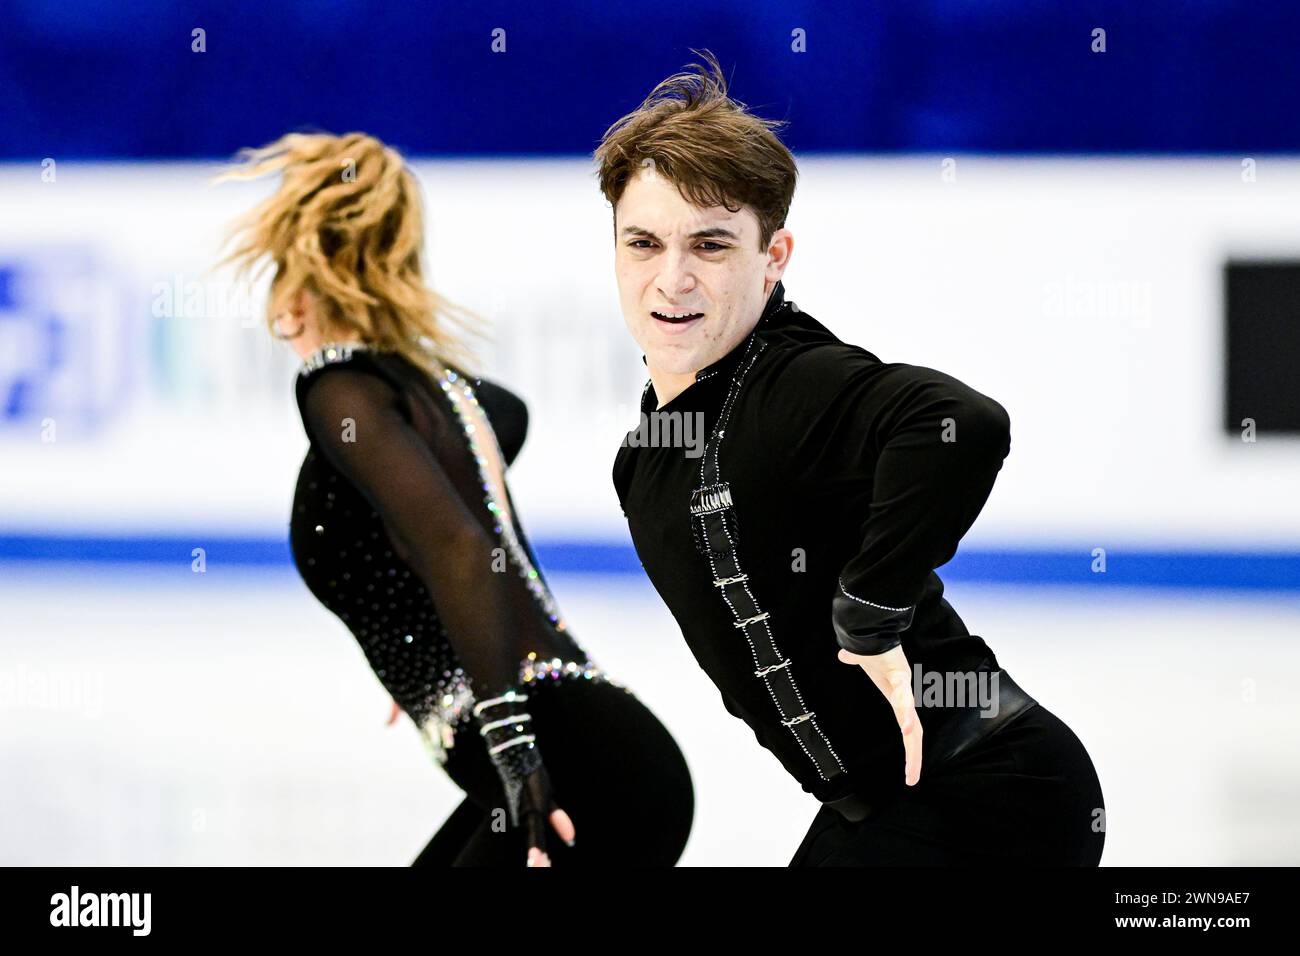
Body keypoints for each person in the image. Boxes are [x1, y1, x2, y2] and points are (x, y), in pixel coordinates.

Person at [600, 52, 1105, 865]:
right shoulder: (649, 453)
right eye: (644, 242)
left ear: (775, 256)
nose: (673, 278)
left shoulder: (791, 380)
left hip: (991, 789)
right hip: (884, 805)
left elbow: (961, 422)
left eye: (712, 245)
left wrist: (871, 609)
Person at [217, 131, 694, 866]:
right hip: (608, 758)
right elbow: (506, 417)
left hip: (574, 777)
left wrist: (514, 755)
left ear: (296, 273)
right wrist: (441, 621)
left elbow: (459, 546)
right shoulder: (440, 394)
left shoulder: (336, 386)